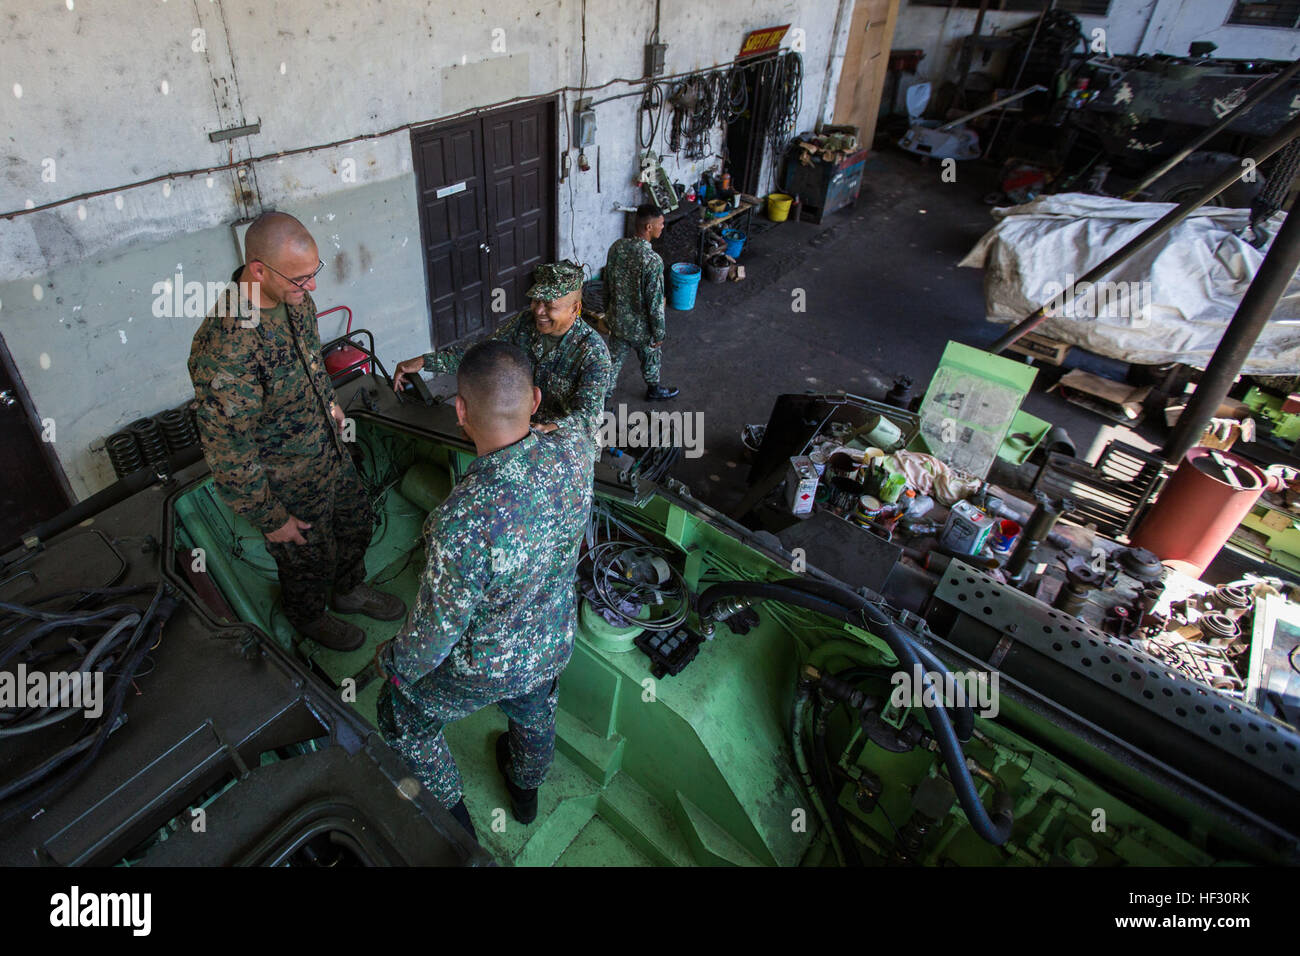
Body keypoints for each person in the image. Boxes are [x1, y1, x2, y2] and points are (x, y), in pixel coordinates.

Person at [376, 341, 594, 838]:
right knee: (536, 711)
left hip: (487, 668)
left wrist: (391, 663)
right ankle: (525, 796)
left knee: (401, 715)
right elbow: (578, 423)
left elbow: (432, 640)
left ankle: (456, 830)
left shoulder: (462, 521)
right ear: (536, 401)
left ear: (459, 411)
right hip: (554, 641)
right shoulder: (578, 447)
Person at [188, 211, 405, 652]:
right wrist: (271, 519)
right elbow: (227, 449)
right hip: (285, 480)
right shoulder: (229, 342)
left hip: (328, 451)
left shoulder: (294, 299)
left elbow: (311, 358)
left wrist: (329, 404)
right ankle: (307, 616)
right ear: (258, 269)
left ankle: (347, 590)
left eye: (314, 274)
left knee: (357, 522)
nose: (312, 288)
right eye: (300, 278)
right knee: (306, 558)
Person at [392, 260, 611, 444]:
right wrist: (425, 361)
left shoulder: (592, 353)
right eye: (536, 301)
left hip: (563, 445)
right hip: (520, 434)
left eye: (549, 305)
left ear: (575, 308)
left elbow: (588, 417)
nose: (539, 311)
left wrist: (550, 427)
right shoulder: (524, 324)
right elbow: (483, 356)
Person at [604, 203, 679, 402]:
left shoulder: (617, 248)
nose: (662, 227)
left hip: (618, 323)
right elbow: (655, 302)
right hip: (641, 329)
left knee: (611, 363)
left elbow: (607, 285)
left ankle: (600, 404)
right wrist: (659, 332)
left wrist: (608, 314)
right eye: (660, 224)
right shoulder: (652, 260)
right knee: (651, 357)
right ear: (648, 227)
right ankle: (654, 389)